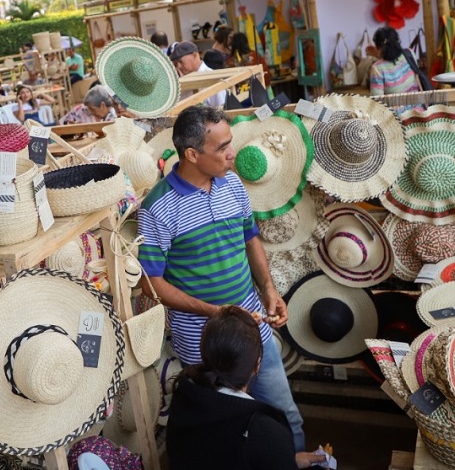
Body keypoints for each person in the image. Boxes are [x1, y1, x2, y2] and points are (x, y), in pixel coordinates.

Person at [137, 106, 304, 451]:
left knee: (284, 414)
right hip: (203, 342)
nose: (233, 154)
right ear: (192, 154)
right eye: (223, 147)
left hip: (252, 325)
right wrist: (213, 312)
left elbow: (250, 237)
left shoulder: (233, 186)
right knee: (220, 427)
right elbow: (151, 283)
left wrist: (268, 289)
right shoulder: (158, 208)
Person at [168, 306, 329, 470]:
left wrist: (289, 460)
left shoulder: (183, 395)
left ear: (204, 355)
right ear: (257, 365)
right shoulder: (265, 431)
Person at [368, 26, 421, 115]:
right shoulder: (409, 53)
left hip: (397, 119)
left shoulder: (377, 68)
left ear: (379, 48)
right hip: (419, 111)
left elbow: (377, 102)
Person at [168, 41, 227, 108]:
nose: (178, 66)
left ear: (195, 55)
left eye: (181, 61)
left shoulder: (210, 77)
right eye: (175, 63)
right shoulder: (181, 78)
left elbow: (221, 107)